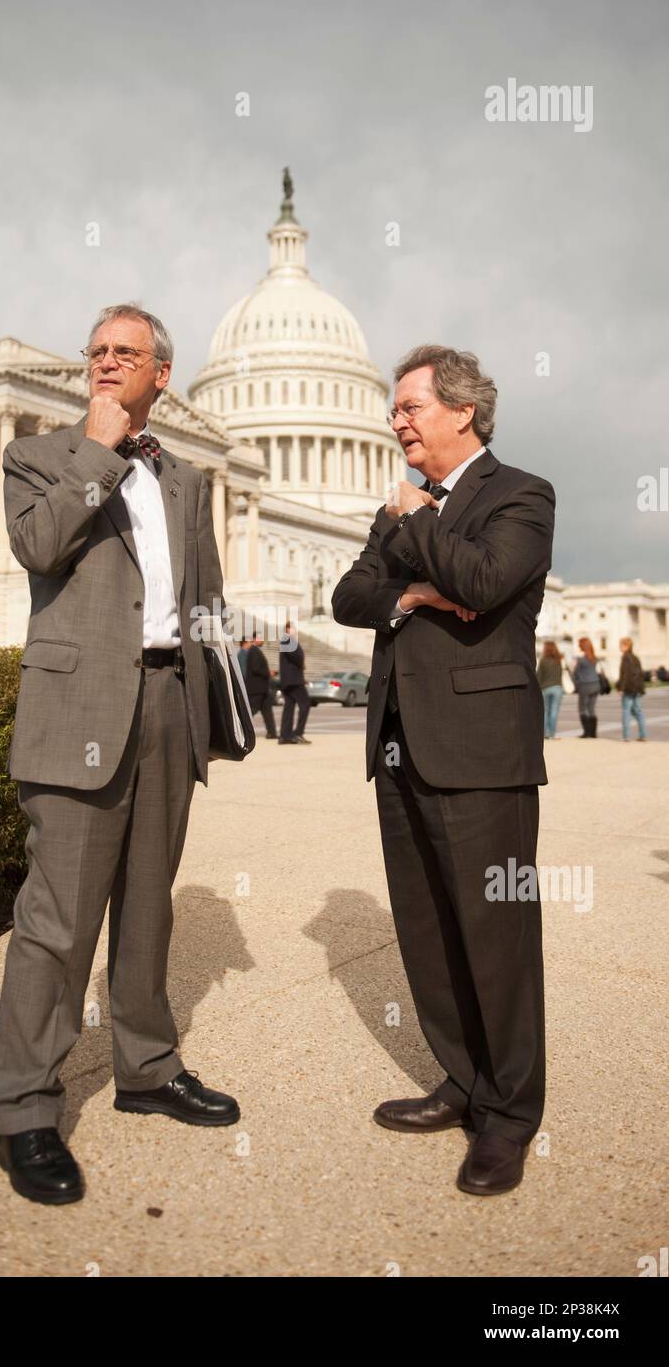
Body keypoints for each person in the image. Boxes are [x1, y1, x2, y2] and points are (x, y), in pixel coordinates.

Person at [0, 302, 239, 1206]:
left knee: (148, 908)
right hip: (80, 705)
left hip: (168, 704)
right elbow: (38, 545)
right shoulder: (40, 456)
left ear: (160, 375)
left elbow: (203, 599)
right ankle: (23, 1111)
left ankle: (145, 1066)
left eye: (124, 354)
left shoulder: (184, 479)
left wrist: (211, 712)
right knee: (55, 923)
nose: (103, 363)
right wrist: (97, 450)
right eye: (94, 352)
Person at [333, 344, 555, 1197]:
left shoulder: (520, 494)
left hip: (480, 753)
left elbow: (487, 579)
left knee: (496, 939)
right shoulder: (396, 508)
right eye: (393, 410)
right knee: (427, 934)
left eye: (409, 407)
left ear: (462, 411)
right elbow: (350, 598)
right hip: (398, 747)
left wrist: (415, 527)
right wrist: (414, 596)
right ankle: (463, 1083)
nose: (396, 421)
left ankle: (508, 1117)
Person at [278, 621, 311, 744]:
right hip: (293, 681)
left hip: (290, 680)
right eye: (292, 628)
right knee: (305, 704)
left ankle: (285, 735)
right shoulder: (287, 640)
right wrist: (302, 662)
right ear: (287, 629)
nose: (294, 630)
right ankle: (298, 733)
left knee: (289, 707)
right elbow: (296, 657)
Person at [244, 635, 278, 739]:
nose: (262, 640)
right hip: (256, 688)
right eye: (260, 638)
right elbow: (256, 668)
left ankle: (272, 733)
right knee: (251, 711)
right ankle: (242, 731)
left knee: (267, 710)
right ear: (254, 639)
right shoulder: (254, 650)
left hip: (262, 688)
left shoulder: (255, 650)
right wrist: (269, 673)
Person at [617, 637, 647, 741]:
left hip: (629, 688)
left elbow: (625, 674)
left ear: (626, 646)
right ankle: (643, 735)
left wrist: (621, 688)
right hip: (637, 688)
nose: (619, 647)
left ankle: (626, 736)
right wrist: (641, 688)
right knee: (639, 711)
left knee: (626, 711)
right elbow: (640, 674)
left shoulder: (625, 657)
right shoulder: (635, 658)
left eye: (621, 645)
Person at [571, 636, 600, 738]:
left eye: (579, 645)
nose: (579, 646)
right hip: (596, 685)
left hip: (585, 686)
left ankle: (586, 732)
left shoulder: (581, 660)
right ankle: (593, 733)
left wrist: (576, 684)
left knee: (582, 709)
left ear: (582, 646)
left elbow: (574, 674)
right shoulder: (595, 659)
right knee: (592, 709)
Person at [537, 640, 564, 739]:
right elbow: (560, 674)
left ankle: (545, 734)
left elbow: (539, 676)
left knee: (545, 711)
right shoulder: (559, 660)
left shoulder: (543, 660)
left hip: (545, 688)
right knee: (554, 711)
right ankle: (552, 734)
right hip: (557, 688)